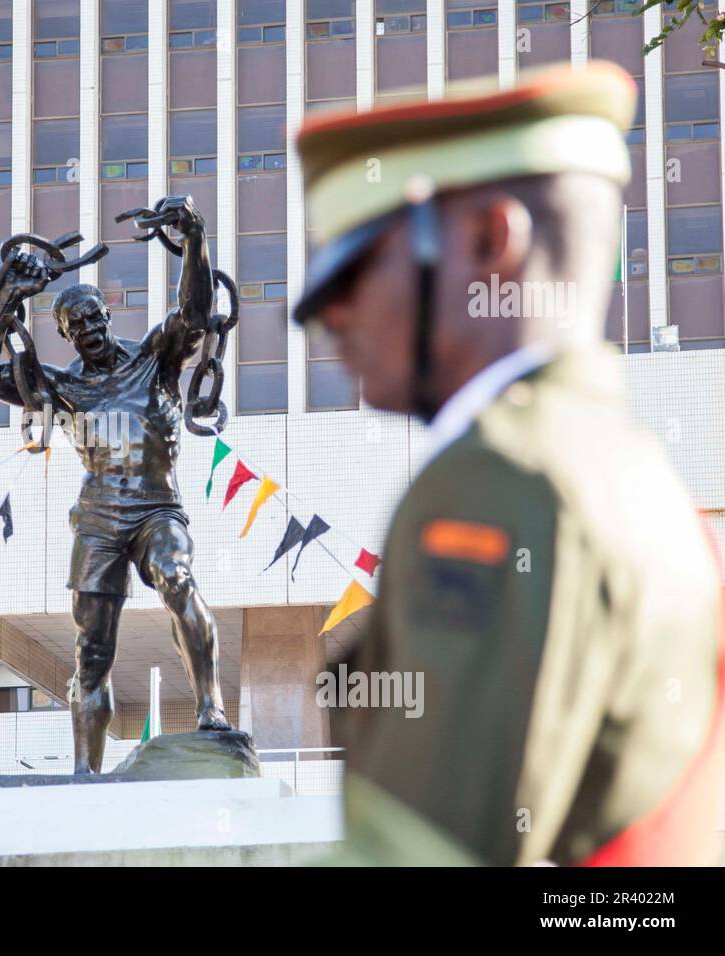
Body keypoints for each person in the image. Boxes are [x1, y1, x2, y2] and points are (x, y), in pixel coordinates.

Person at [292, 62, 724, 865]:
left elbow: (414, 855)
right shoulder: (623, 470)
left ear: (491, 239)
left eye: (355, 267)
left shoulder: (499, 480)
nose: (324, 313)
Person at [0, 196, 231, 774]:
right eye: (72, 323)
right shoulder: (59, 386)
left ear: (107, 316)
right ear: (63, 333)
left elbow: (195, 314)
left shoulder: (155, 360)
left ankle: (211, 707)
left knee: (178, 578)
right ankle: (86, 770)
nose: (85, 328)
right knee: (92, 653)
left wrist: (194, 241)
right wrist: (10, 295)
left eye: (91, 317)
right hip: (99, 517)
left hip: (158, 508)